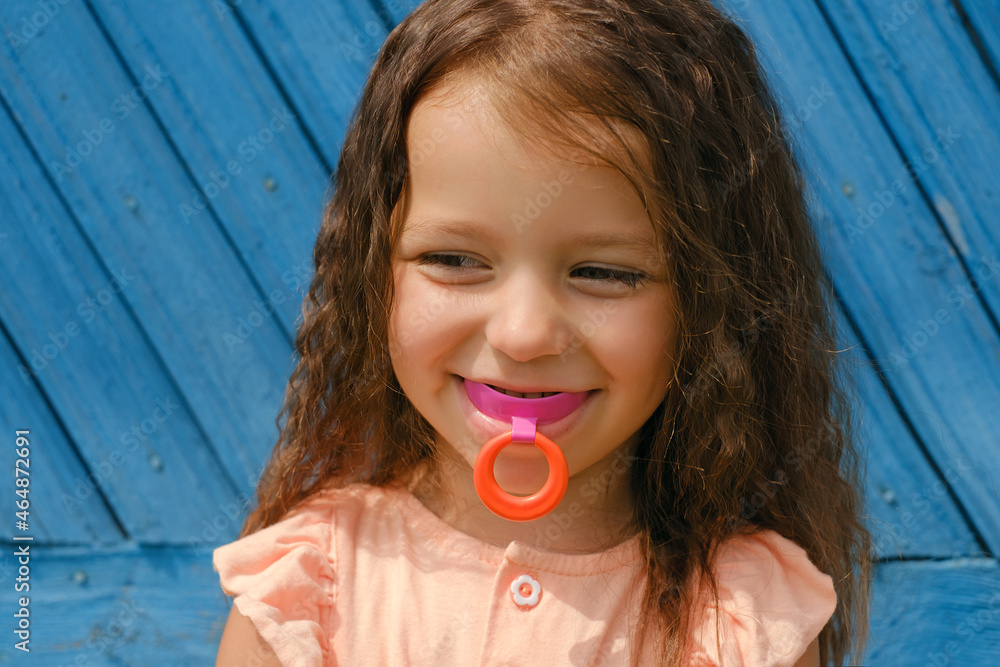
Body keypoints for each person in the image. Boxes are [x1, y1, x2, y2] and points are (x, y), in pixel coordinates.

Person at [213, 0, 872, 664]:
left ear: (711, 301)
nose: (524, 334)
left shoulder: (744, 621)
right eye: (455, 260)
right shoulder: (306, 591)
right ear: (375, 273)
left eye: (603, 272)